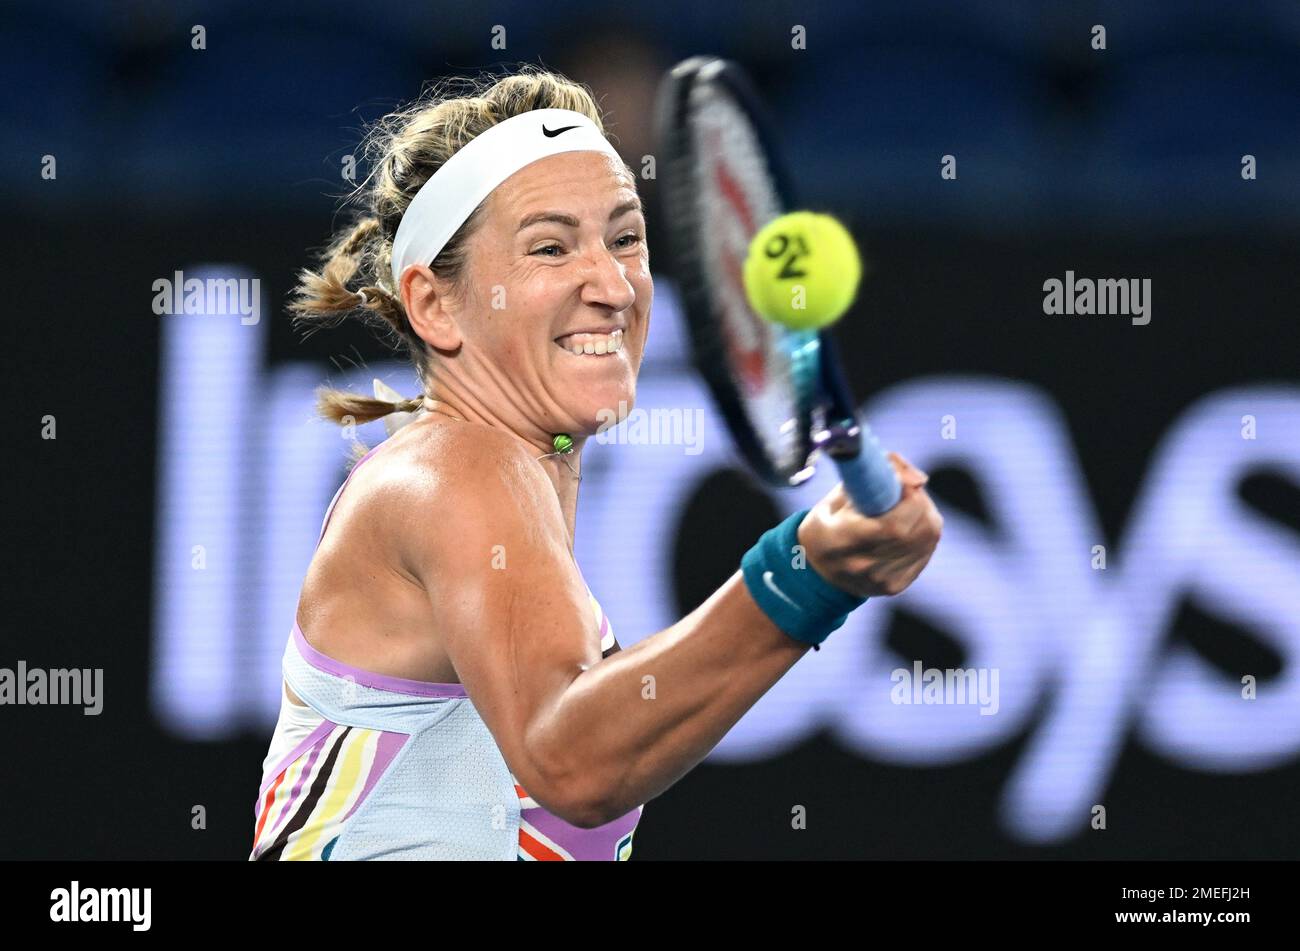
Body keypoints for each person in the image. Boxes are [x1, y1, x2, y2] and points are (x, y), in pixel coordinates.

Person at [249, 66, 941, 861]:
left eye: (625, 239)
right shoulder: (456, 466)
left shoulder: (490, 488)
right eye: (550, 247)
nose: (612, 285)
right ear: (434, 305)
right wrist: (807, 572)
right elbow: (570, 760)